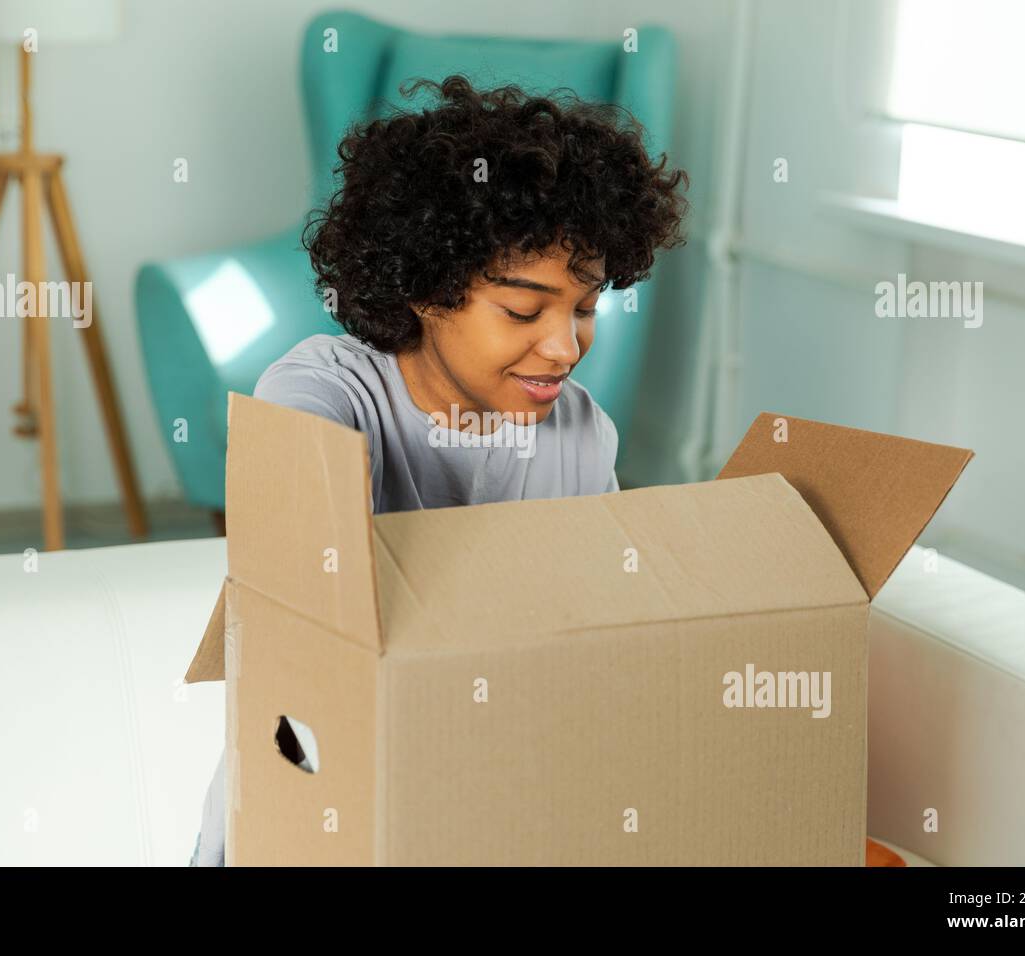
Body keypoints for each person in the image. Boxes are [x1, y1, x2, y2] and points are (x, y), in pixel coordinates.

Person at [191, 73, 688, 865]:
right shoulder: (324, 390)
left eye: (585, 308)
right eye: (524, 312)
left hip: (481, 813)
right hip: (307, 809)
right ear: (426, 290)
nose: (565, 347)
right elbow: (300, 553)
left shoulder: (582, 436)